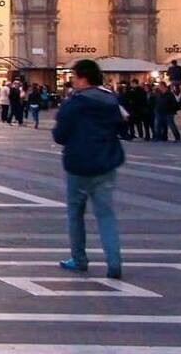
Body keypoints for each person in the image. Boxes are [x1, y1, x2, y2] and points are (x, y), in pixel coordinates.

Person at [53, 59, 125, 280]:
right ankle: (114, 262)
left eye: (73, 77)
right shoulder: (111, 101)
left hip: (79, 165)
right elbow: (121, 125)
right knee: (106, 215)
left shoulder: (73, 104)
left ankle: (79, 259)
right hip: (105, 164)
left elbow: (60, 136)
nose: (72, 81)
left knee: (75, 214)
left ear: (83, 78)